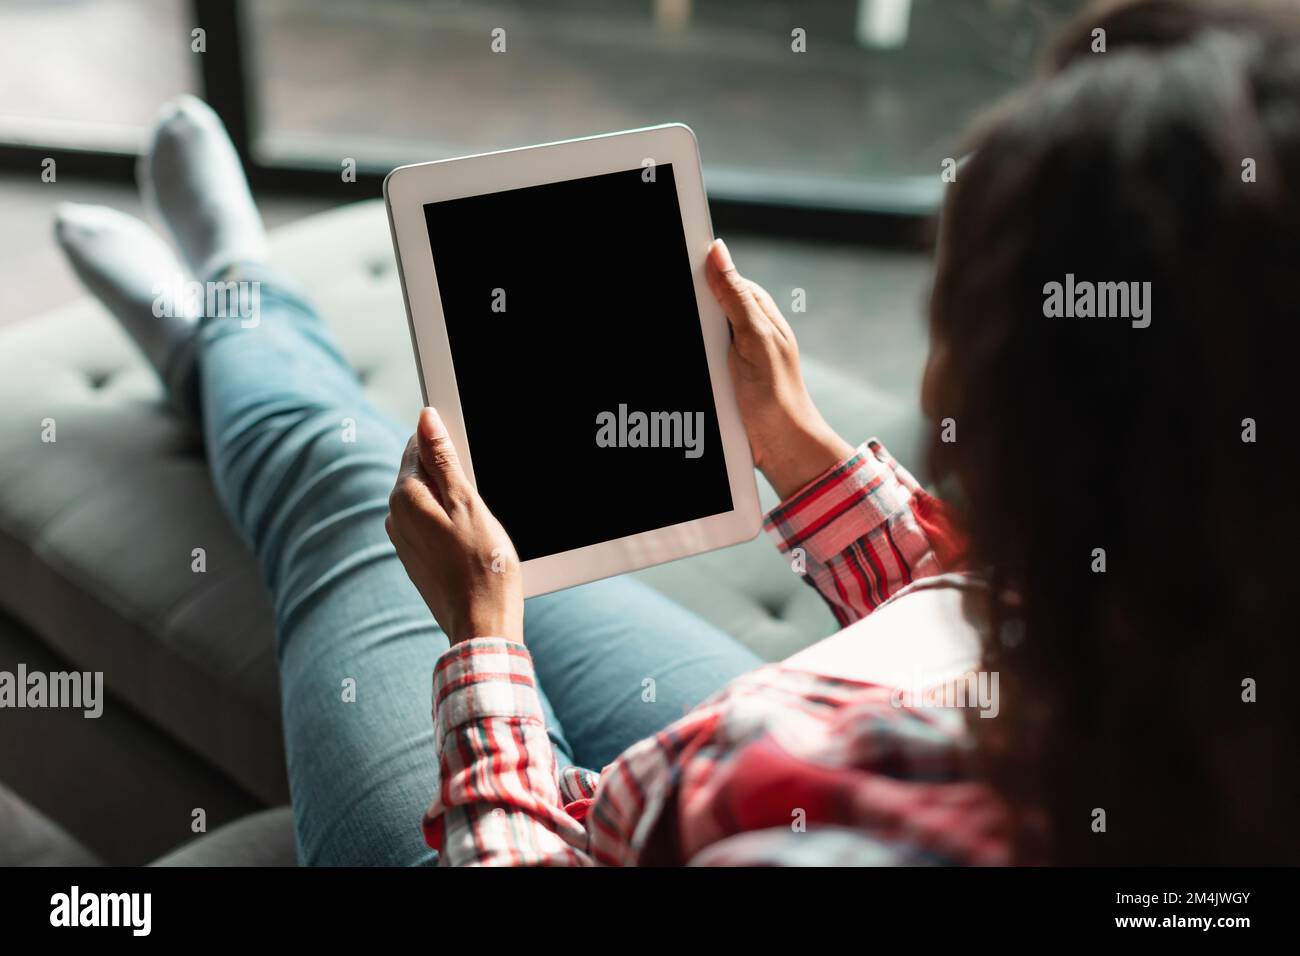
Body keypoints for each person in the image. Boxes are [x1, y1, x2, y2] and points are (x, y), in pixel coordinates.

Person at [55, 0, 1298, 866]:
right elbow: (998, 624)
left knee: (351, 494)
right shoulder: (1194, 639)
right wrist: (810, 461)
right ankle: (237, 324)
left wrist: (485, 647)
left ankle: (228, 319)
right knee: (472, 510)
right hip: (771, 751)